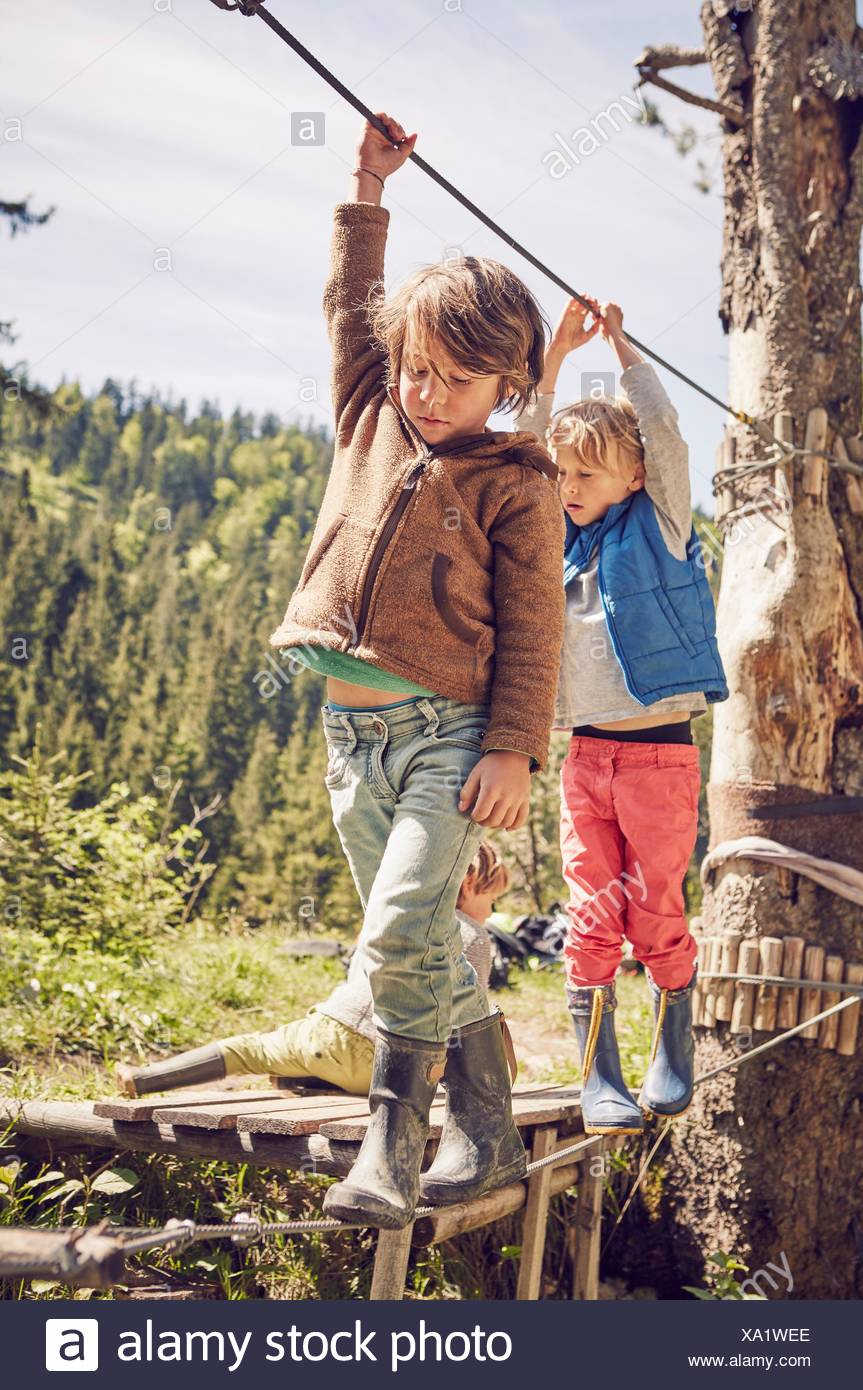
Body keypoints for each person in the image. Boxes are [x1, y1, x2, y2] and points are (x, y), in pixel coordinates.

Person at [264, 112, 565, 1228]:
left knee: (395, 934)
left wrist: (509, 749)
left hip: (447, 737)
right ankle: (485, 1131)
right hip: (352, 744)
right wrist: (364, 185)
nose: (428, 393)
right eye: (417, 369)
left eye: (457, 378)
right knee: (423, 938)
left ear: (509, 384)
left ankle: (391, 1145)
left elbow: (533, 630)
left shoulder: (514, 483)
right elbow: (352, 298)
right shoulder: (368, 408)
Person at [514, 295, 728, 1136]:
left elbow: (667, 434)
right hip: (586, 763)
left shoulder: (663, 522)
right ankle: (597, 1072)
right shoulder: (551, 536)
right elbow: (526, 451)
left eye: (587, 474)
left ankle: (673, 1042)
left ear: (633, 477)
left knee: (656, 913)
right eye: (563, 475)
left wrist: (624, 350)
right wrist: (557, 358)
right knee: (592, 912)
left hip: (660, 762)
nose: (568, 487)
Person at [115, 843, 508, 1099]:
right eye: (492, 898)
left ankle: (145, 1078)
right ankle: (325, 1080)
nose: (492, 911)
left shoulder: (388, 916)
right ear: (470, 881)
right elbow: (465, 1019)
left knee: (248, 1050)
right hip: (388, 1066)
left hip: (330, 1033)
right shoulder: (473, 935)